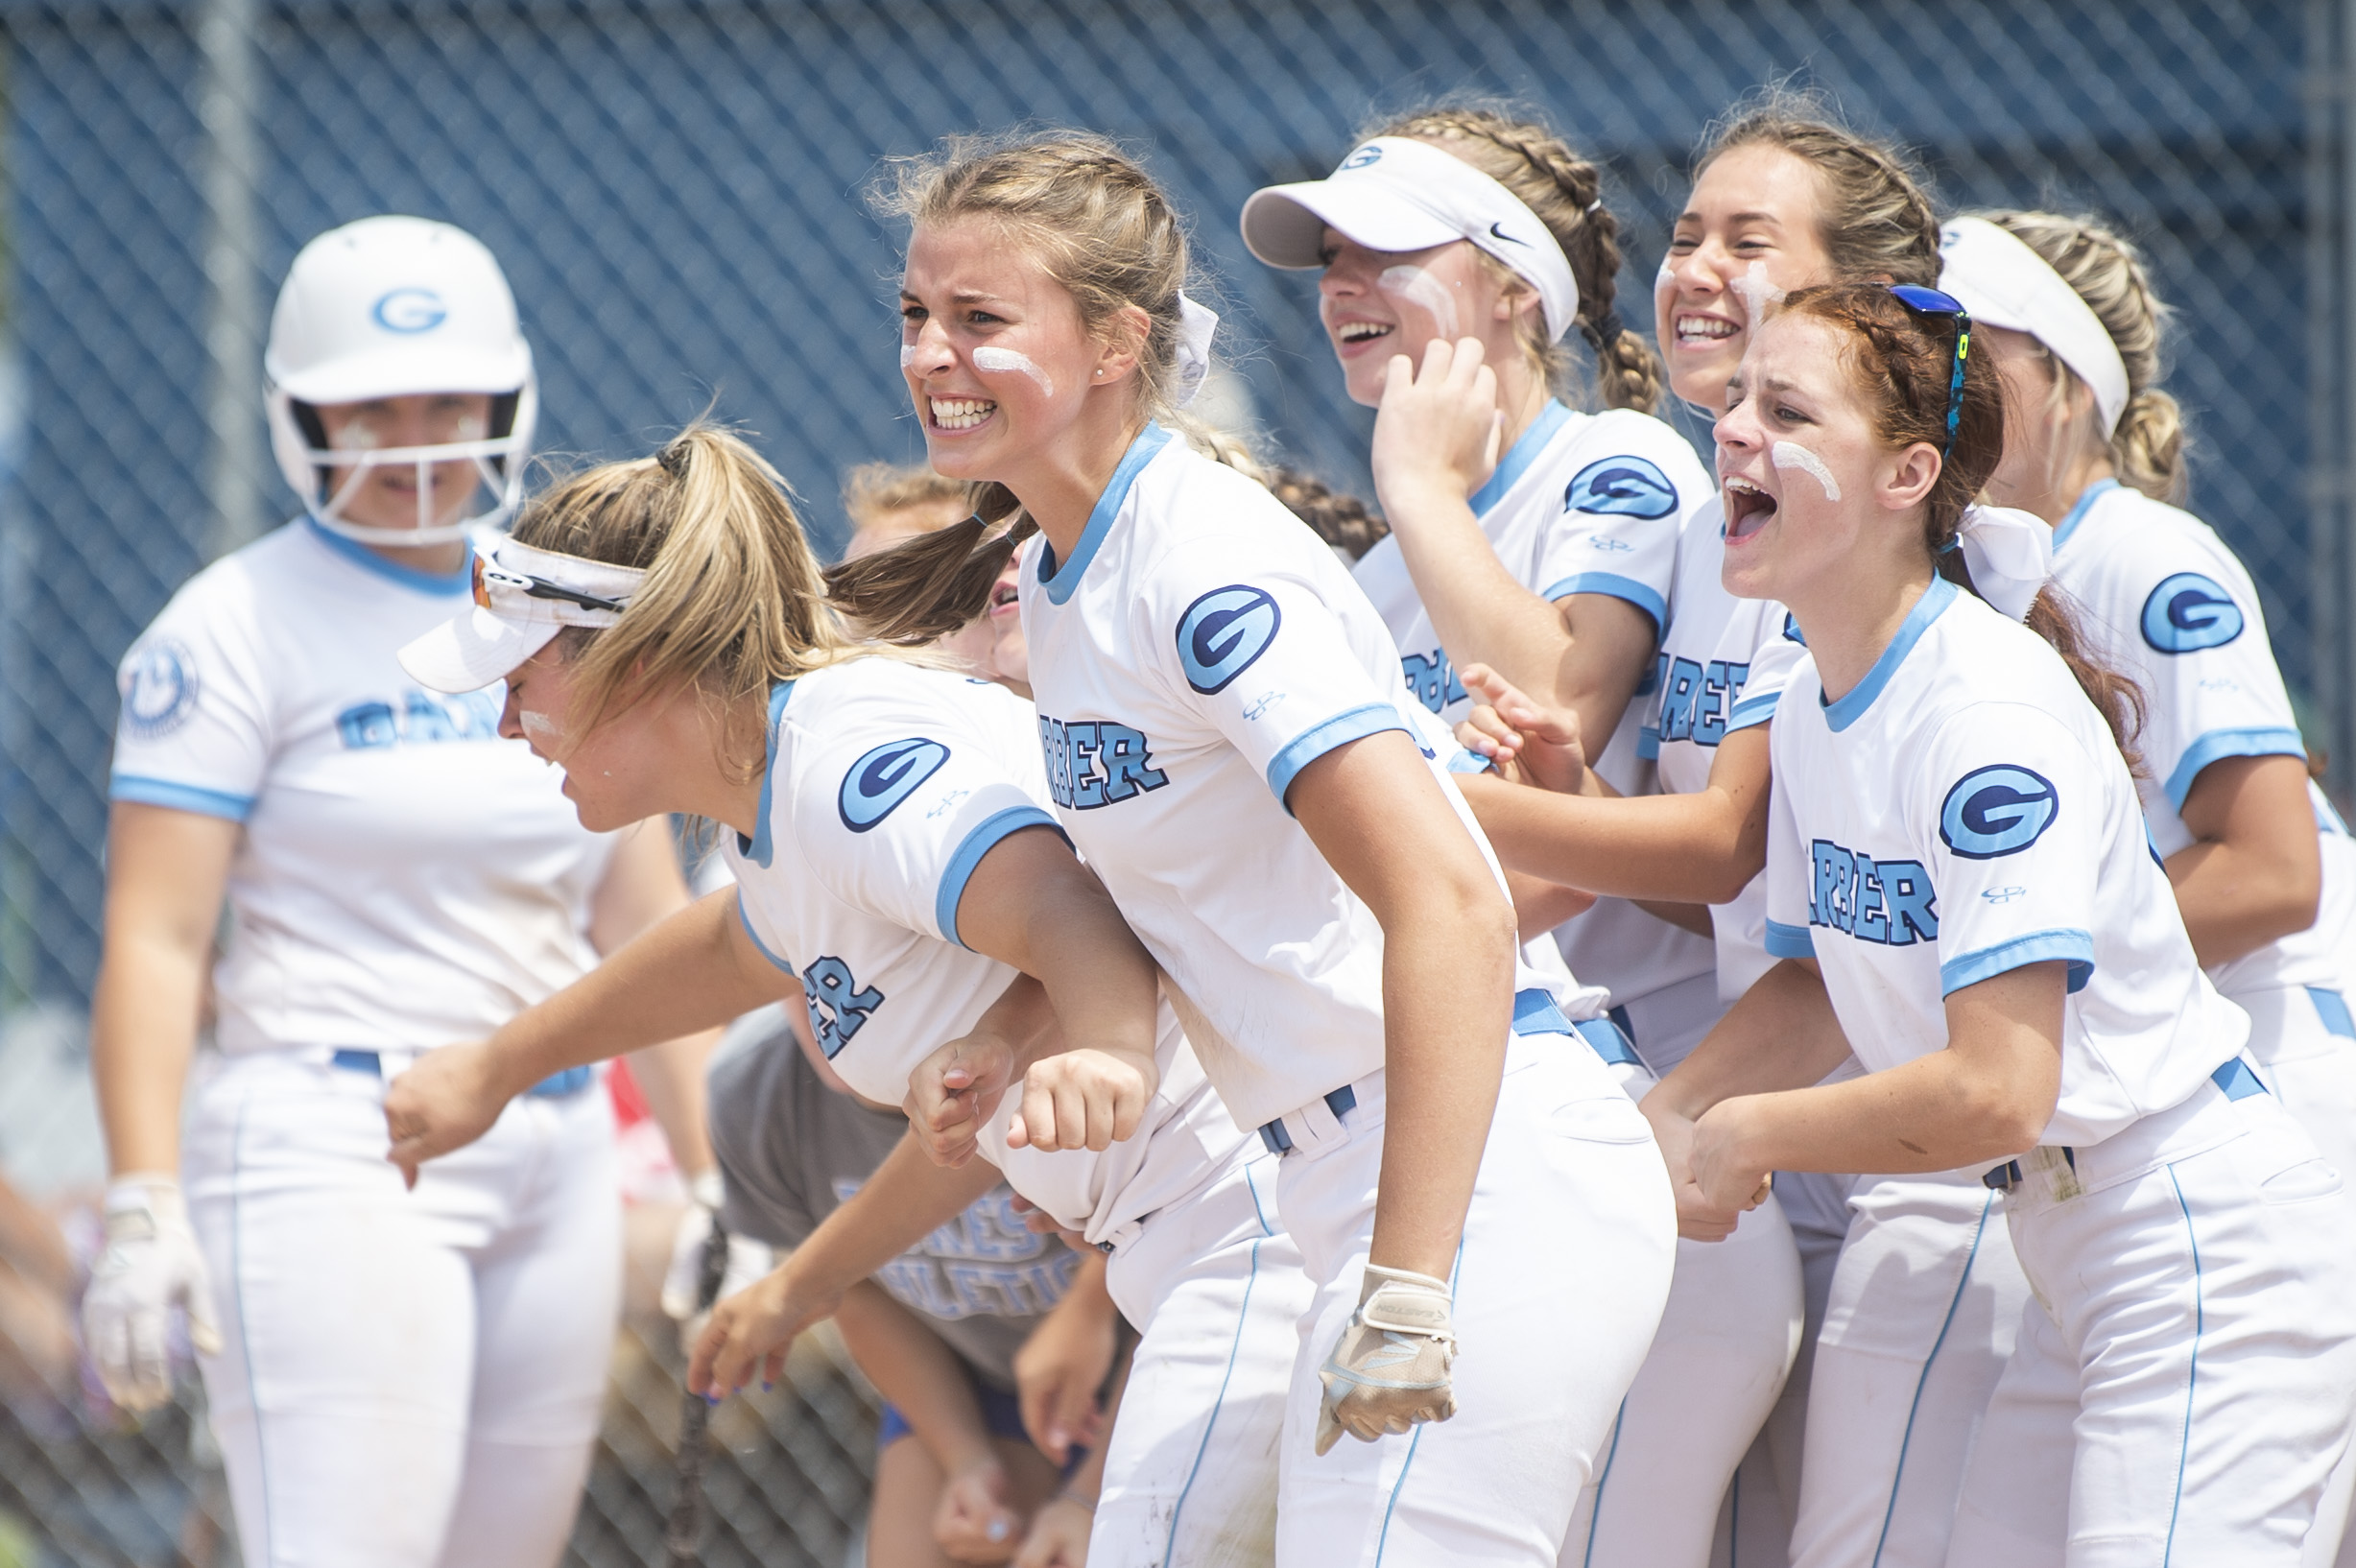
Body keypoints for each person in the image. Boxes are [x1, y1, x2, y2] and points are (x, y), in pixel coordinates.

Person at [827, 129, 1675, 1567]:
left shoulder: (1199, 558)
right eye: (917, 314)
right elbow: (1198, 904)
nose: (931, 354)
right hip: (1334, 1176)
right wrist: (1028, 1033)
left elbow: (1455, 904)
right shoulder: (1067, 572)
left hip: (1472, 1174)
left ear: (1114, 342)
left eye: (980, 319)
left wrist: (1407, 1279)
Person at [375, 424, 1309, 1568]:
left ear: (638, 654)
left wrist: (1111, 1051)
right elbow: (736, 946)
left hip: (1262, 1211)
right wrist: (497, 1066)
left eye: (522, 681)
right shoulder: (778, 800)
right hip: (1218, 1228)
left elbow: (1066, 901)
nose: (508, 722)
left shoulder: (838, 770)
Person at [1654, 276, 2356, 1564]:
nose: (1736, 430)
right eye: (1741, 400)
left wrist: (1742, 1132)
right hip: (2070, 1248)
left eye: (1789, 410)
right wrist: (1655, 1119)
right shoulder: (1817, 697)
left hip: (2193, 1237)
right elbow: (1817, 987)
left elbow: (1997, 1086)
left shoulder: (1981, 710)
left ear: (1905, 474)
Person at [82, 215, 720, 1568]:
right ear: (300, 413)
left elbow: (650, 928)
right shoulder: (230, 624)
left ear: (508, 396)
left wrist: (719, 1173)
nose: (417, 436)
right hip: (334, 1135)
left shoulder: (560, 600)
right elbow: (155, 934)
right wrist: (142, 1194)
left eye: (448, 398)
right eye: (370, 406)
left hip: (552, 1147)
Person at [1451, 97, 2032, 1568]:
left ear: (1849, 306)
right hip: (1778, 1147)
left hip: (1919, 1167)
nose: (1693, 263)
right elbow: (1754, 905)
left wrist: (1400, 795)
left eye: (1746, 240)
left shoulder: (1876, 571)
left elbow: (1722, 844)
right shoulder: (1731, 522)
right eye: (1687, 230)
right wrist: (1573, 812)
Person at [1239, 105, 1792, 1568]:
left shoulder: (1616, 462)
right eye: (1327, 258)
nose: (1341, 282)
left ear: (1509, 286)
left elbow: (1557, 686)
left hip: (1660, 1128)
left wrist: (1420, 484)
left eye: (1386, 250)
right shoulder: (1370, 569)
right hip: (1521, 1129)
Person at [1938, 206, 2356, 1563]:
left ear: (2061, 385)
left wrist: (2015, 950)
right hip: (2138, 1128)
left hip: (2276, 1084)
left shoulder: (2141, 558)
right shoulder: (1982, 585)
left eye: (1970, 351)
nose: (1933, 379)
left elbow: (2268, 866)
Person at [703, 1006, 1111, 1568]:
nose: (836, 1001)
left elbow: (1200, 1248)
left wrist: (1087, 1498)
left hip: (1152, 1352)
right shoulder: (758, 1085)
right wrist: (967, 1460)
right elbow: (852, 1293)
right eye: (807, 969)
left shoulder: (1041, 1040)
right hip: (974, 1382)